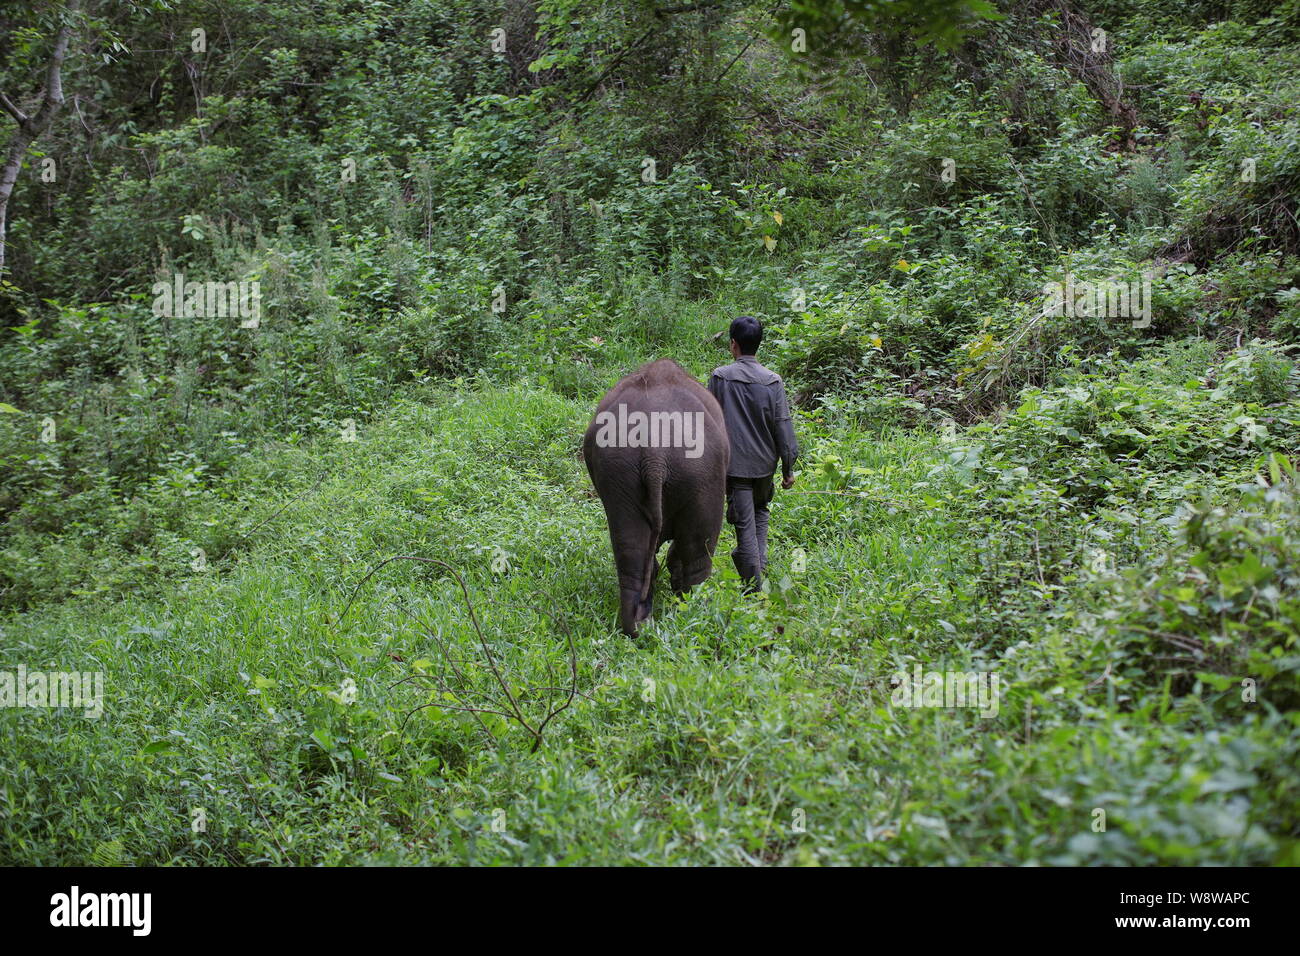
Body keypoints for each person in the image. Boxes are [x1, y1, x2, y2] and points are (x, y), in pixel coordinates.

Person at [707, 315, 799, 592]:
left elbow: (708, 422)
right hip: (764, 468)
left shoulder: (721, 377)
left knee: (745, 526)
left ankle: (755, 590)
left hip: (736, 470)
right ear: (758, 345)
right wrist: (788, 468)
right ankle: (757, 567)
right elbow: (783, 427)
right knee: (760, 513)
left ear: (733, 345)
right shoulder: (773, 381)